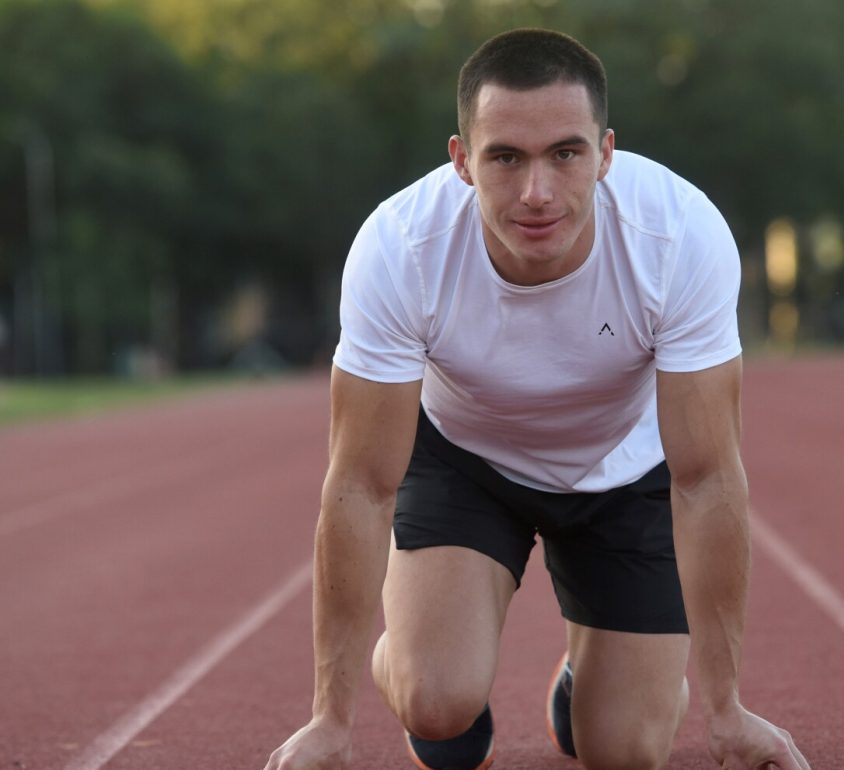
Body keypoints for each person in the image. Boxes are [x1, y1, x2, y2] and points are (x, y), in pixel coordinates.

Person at [264, 27, 810, 770]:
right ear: (461, 160)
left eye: (565, 153)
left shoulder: (678, 236)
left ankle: (594, 676)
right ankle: (428, 653)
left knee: (623, 752)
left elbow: (706, 477)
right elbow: (359, 485)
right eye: (504, 157)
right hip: (467, 461)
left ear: (605, 152)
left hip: (624, 468)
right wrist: (330, 718)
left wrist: (726, 709)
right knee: (438, 710)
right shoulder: (400, 249)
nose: (537, 192)